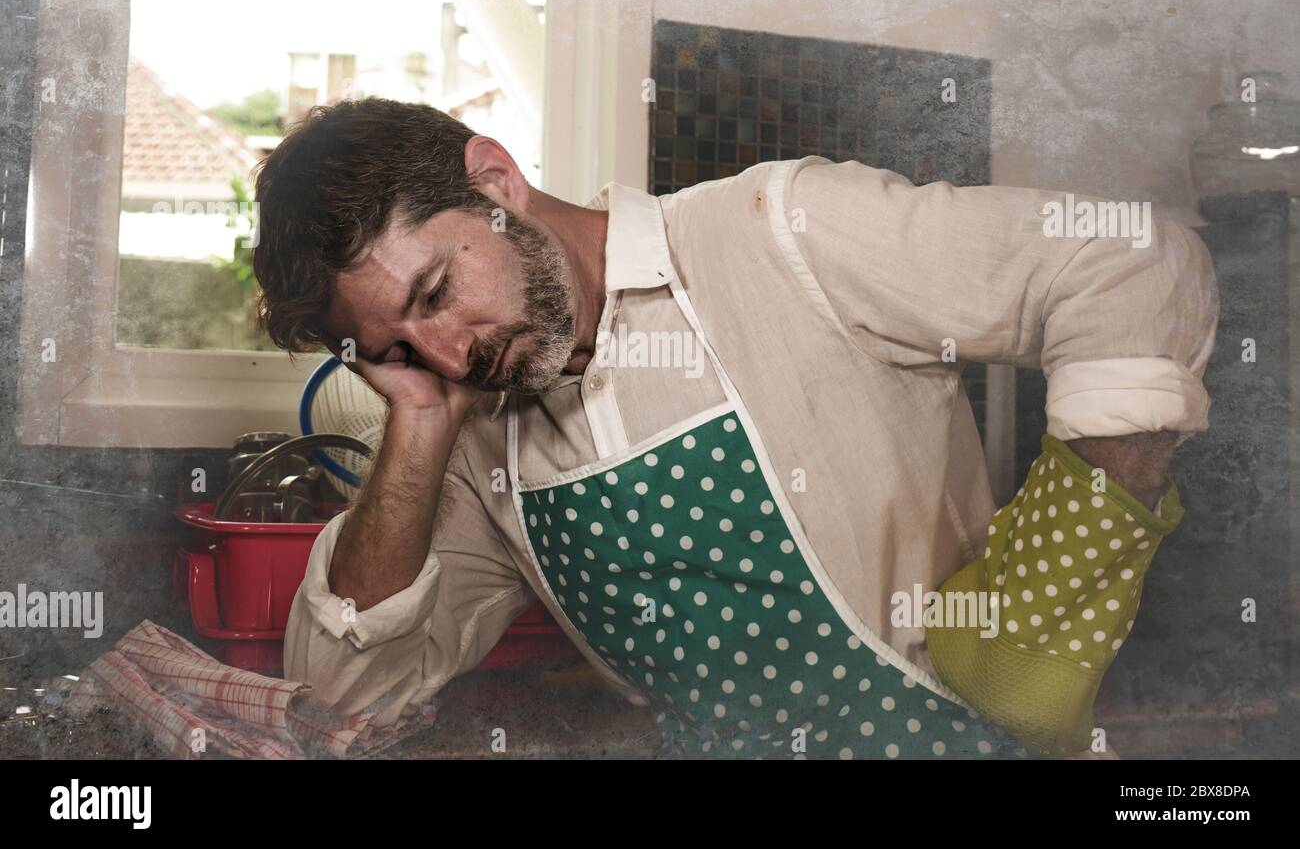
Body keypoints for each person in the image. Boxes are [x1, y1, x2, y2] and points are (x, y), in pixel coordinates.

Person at [252, 98, 1218, 759]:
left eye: (437, 291)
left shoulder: (776, 233)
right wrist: (418, 422)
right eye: (401, 349)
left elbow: (1129, 258)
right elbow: (339, 702)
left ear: (496, 182)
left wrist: (1049, 594)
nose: (453, 356)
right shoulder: (472, 442)